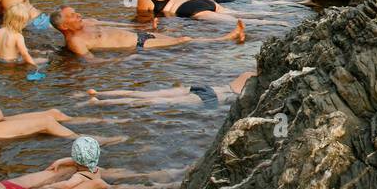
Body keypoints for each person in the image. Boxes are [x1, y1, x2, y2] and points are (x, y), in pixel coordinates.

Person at [49, 4, 243, 56]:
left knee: (177, 37)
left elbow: (116, 25)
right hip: (139, 45)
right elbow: (91, 62)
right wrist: (124, 58)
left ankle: (225, 38)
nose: (79, 15)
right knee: (183, 39)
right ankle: (226, 38)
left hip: (140, 35)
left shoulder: (88, 22)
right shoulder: (76, 42)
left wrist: (142, 27)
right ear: (64, 26)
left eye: (76, 12)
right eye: (73, 16)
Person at [86, 72, 255, 108]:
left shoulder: (250, 72)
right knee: (150, 102)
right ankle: (100, 102)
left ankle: (99, 93)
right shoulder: (261, 83)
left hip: (208, 88)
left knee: (144, 95)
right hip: (211, 99)